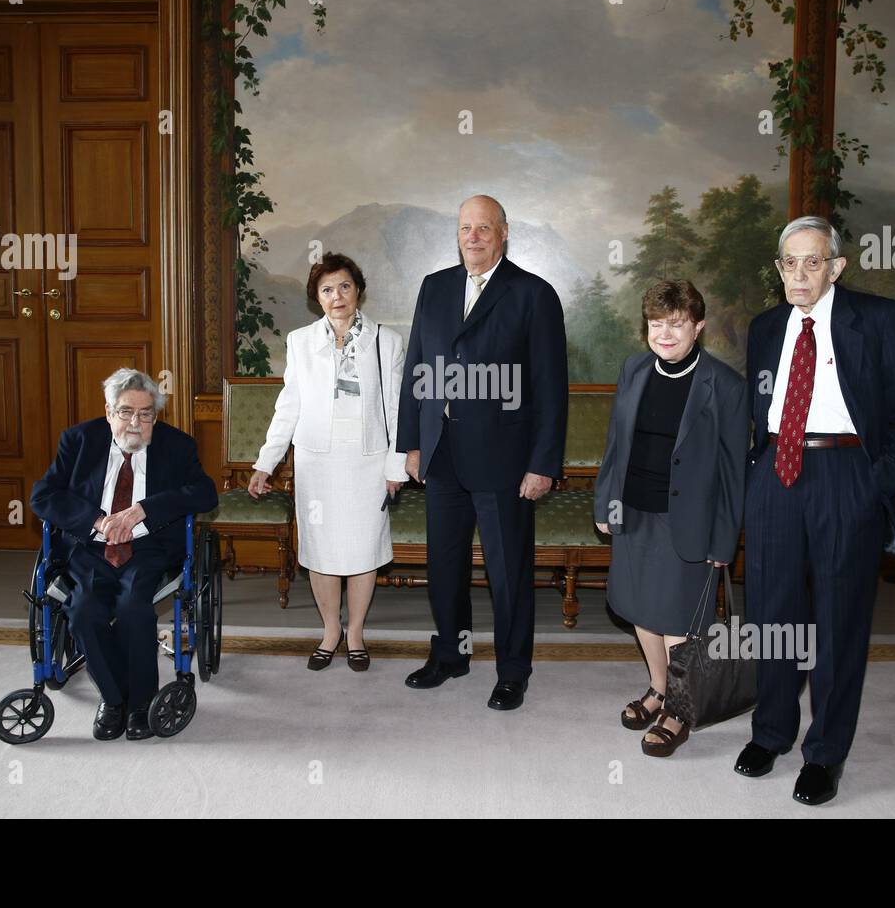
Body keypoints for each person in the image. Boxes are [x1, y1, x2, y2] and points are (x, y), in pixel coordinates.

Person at [734, 215, 895, 804]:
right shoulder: (766, 326)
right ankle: (770, 733)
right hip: (775, 474)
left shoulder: (879, 320)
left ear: (836, 267)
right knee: (771, 617)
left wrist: (874, 485)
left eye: (812, 261)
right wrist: (756, 472)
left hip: (845, 473)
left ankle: (825, 754)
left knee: (839, 621)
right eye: (788, 263)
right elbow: (760, 406)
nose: (798, 273)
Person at [396, 194, 568, 710]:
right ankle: (450, 653)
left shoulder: (533, 294)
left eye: (484, 229)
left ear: (504, 232)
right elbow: (416, 368)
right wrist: (411, 442)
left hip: (506, 459)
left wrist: (543, 463)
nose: (473, 237)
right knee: (443, 564)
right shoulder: (435, 286)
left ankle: (513, 670)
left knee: (507, 573)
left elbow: (551, 387)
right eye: (465, 228)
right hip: (442, 452)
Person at [593, 280, 747, 756]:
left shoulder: (726, 385)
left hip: (688, 523)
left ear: (697, 327)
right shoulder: (633, 369)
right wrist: (605, 503)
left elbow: (732, 472)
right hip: (634, 510)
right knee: (642, 609)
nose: (664, 333)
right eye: (656, 324)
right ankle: (659, 689)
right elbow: (616, 445)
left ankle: (680, 711)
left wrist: (724, 543)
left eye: (676, 324)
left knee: (680, 619)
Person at [29, 368, 218, 741]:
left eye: (146, 413)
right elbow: (43, 496)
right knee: (83, 610)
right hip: (91, 548)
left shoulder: (176, 446)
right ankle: (114, 701)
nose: (135, 422)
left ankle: (140, 703)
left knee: (134, 607)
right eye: (126, 412)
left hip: (149, 548)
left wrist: (142, 510)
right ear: (108, 411)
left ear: (156, 416)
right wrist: (97, 521)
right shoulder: (79, 440)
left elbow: (205, 492)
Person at [248, 252, 407, 671]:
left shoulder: (386, 341)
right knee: (321, 551)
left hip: (367, 463)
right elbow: (289, 406)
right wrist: (266, 462)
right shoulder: (300, 342)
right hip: (318, 462)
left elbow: (395, 409)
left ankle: (355, 632)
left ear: (358, 290)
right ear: (316, 298)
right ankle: (329, 631)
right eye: (326, 289)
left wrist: (395, 468)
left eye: (344, 286)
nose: (337, 296)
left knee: (362, 550)